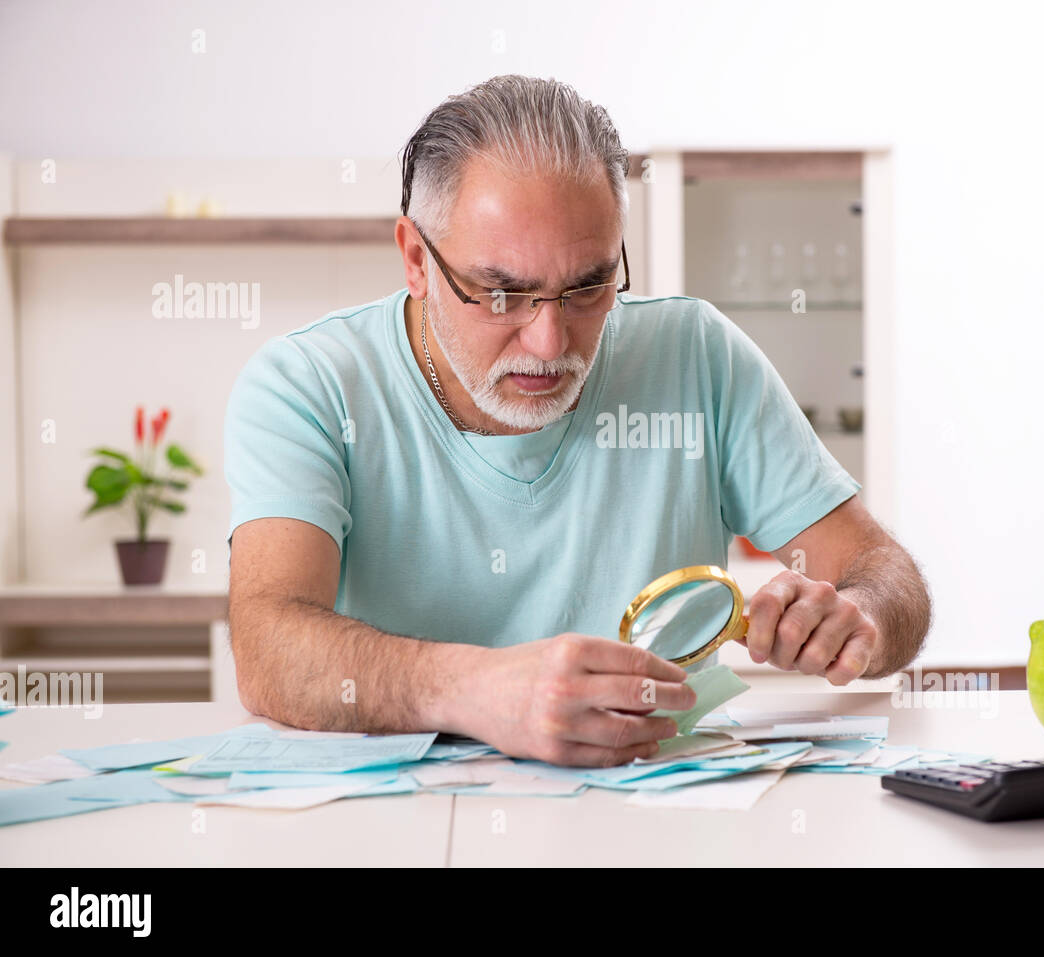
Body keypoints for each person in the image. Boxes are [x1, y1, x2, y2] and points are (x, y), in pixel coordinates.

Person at [224, 74, 930, 767]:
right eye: (502, 294)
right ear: (416, 259)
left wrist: (859, 615)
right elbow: (267, 646)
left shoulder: (697, 355)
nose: (551, 342)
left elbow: (886, 573)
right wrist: (471, 690)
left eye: (589, 285)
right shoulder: (307, 385)